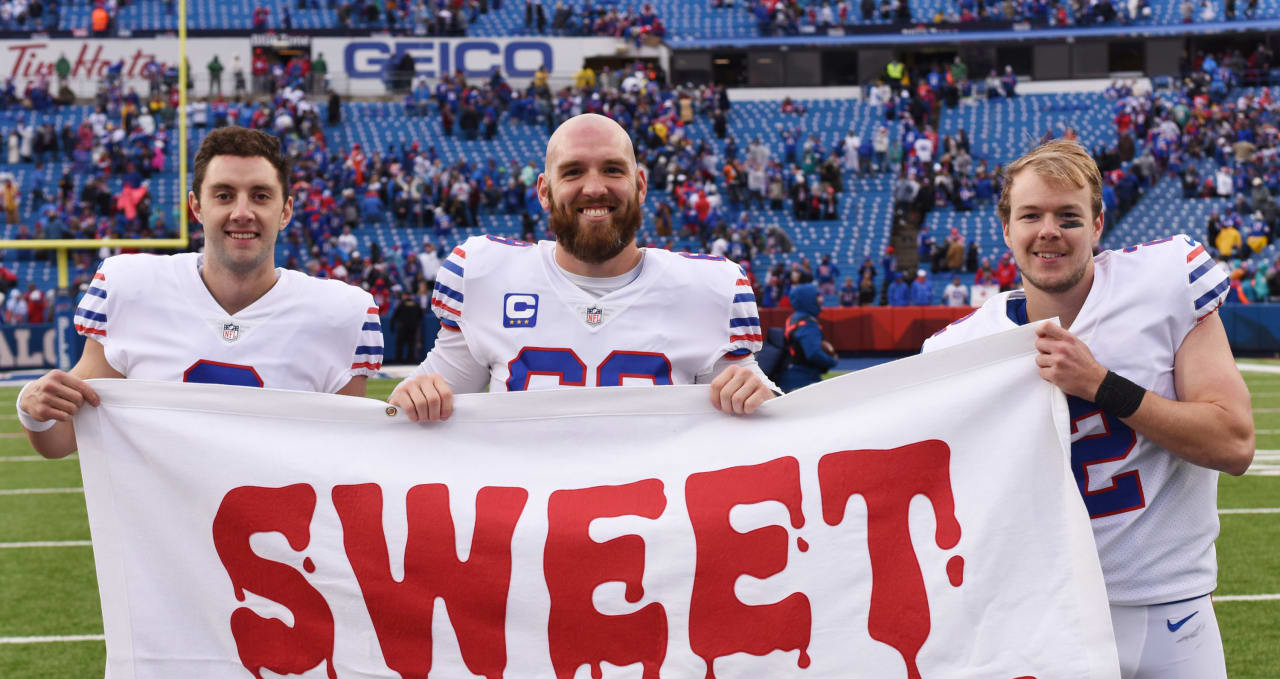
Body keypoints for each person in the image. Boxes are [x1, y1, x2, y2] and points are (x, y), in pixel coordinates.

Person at [923, 139, 1253, 679]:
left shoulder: (1162, 284)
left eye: (1068, 216)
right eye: (1031, 215)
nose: (1049, 230)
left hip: (1165, 612)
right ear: (1006, 228)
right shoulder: (959, 349)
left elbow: (1233, 442)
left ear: (1097, 224)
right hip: (1035, 620)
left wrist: (1101, 384)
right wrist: (761, 402)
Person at [16, 126, 383, 463]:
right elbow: (61, 441)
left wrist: (417, 403)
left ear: (285, 210)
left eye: (260, 196)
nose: (242, 212)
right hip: (159, 534)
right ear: (196, 206)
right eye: (224, 195)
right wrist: (34, 409)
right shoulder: (131, 286)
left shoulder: (339, 311)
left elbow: (348, 458)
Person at [389, 113, 777, 421]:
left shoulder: (708, 288)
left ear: (640, 185)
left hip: (652, 518)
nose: (594, 188)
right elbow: (426, 398)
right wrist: (416, 394)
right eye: (573, 171)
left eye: (612, 169)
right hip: (529, 516)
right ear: (544, 191)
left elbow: (769, 419)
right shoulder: (484, 274)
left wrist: (759, 396)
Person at [777, 282, 836, 392]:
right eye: (817, 297)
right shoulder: (808, 323)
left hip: (789, 374)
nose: (820, 301)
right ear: (807, 300)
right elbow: (813, 353)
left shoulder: (793, 318)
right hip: (804, 378)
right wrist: (832, 361)